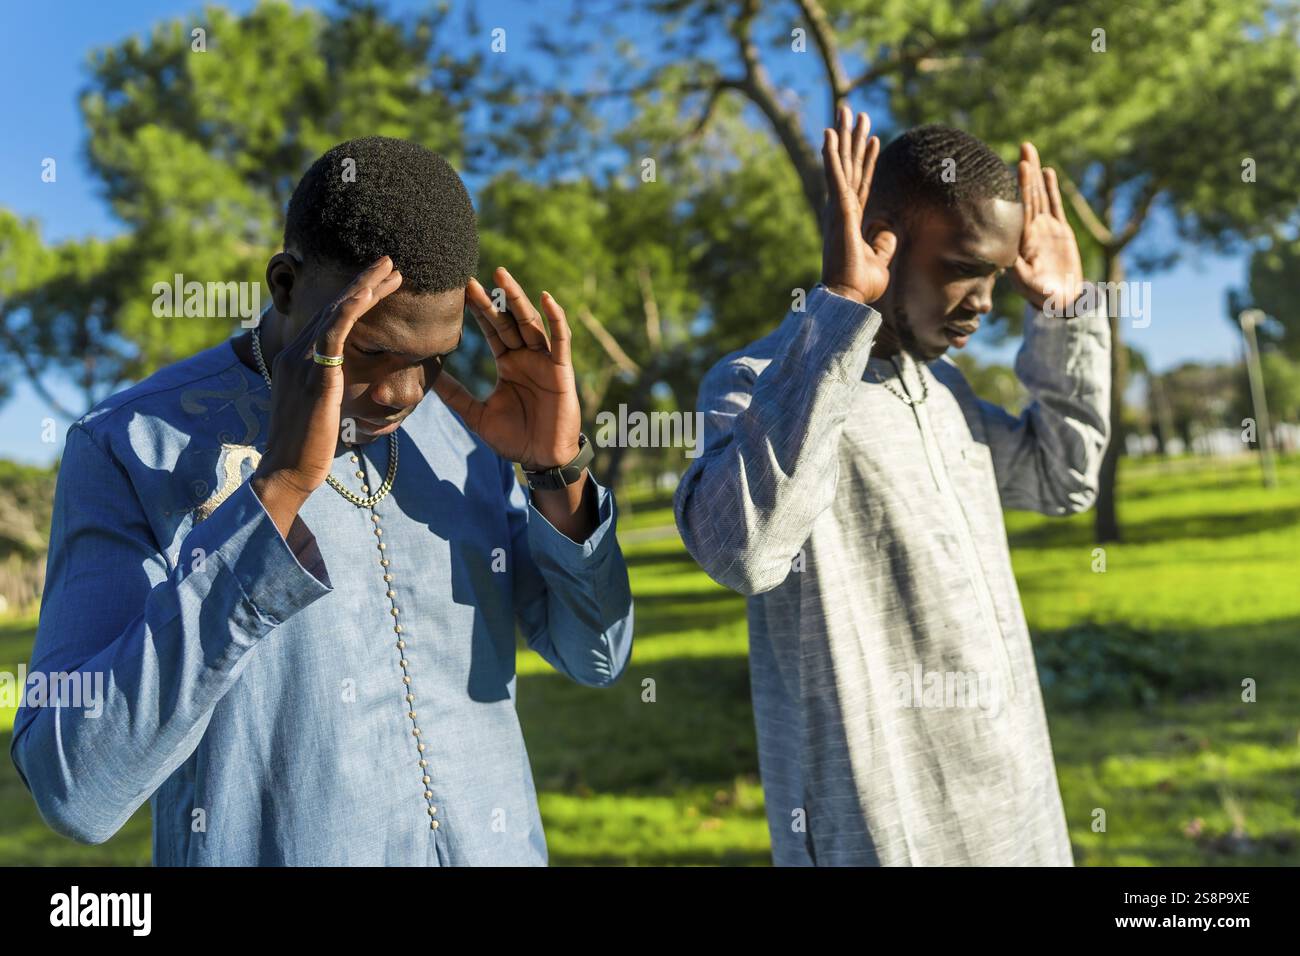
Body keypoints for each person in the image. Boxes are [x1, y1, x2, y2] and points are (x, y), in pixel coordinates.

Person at [11, 136, 634, 865]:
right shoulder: (129, 447)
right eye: (369, 350)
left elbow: (596, 655)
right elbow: (74, 789)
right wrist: (272, 497)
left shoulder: (472, 431)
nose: (404, 394)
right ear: (284, 284)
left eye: (432, 359)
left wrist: (556, 475)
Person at [674, 108, 1110, 865]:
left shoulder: (946, 393)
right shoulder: (755, 385)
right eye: (961, 267)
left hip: (1021, 811)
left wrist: (1065, 316)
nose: (982, 301)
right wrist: (840, 312)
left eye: (996, 277)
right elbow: (740, 553)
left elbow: (1061, 477)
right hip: (882, 828)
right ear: (880, 238)